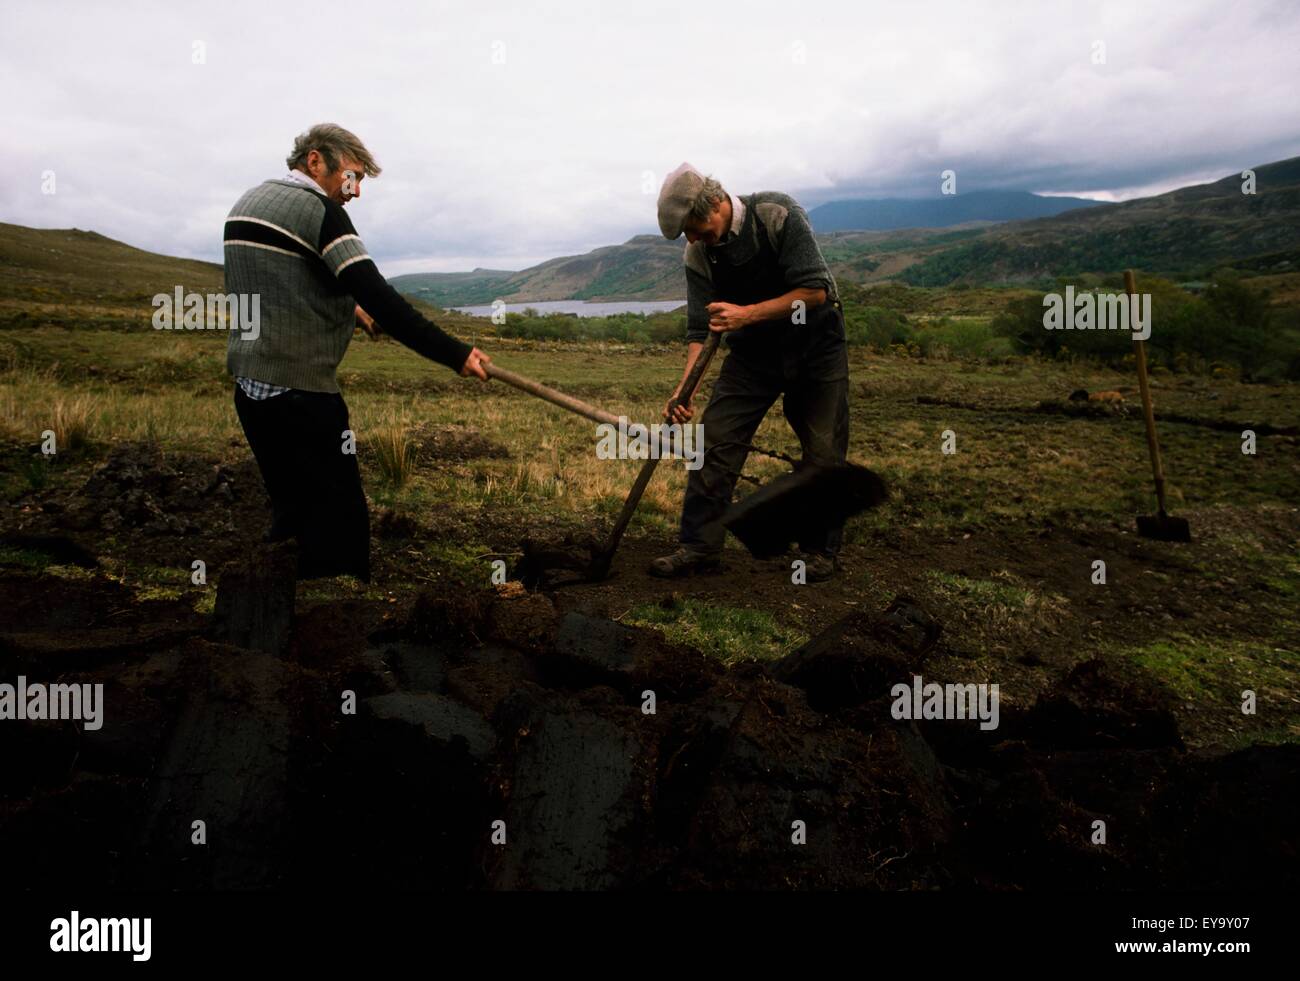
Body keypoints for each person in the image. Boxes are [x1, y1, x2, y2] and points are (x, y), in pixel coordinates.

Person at [224, 122, 491, 581]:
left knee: (291, 509)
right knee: (343, 522)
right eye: (352, 176)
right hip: (302, 397)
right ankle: (339, 620)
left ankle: (277, 603)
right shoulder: (319, 213)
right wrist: (455, 353)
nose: (355, 191)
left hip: (250, 392)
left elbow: (281, 286)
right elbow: (384, 299)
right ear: (315, 160)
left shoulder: (246, 204)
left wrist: (348, 311)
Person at [650, 162, 850, 582]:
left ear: (716, 203)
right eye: (686, 232)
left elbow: (815, 291)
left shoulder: (777, 215)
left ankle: (819, 552)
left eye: (695, 225)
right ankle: (699, 547)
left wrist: (747, 314)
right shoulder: (699, 253)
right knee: (716, 440)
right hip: (753, 358)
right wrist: (683, 392)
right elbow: (699, 330)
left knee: (823, 449)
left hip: (815, 347)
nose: (693, 238)